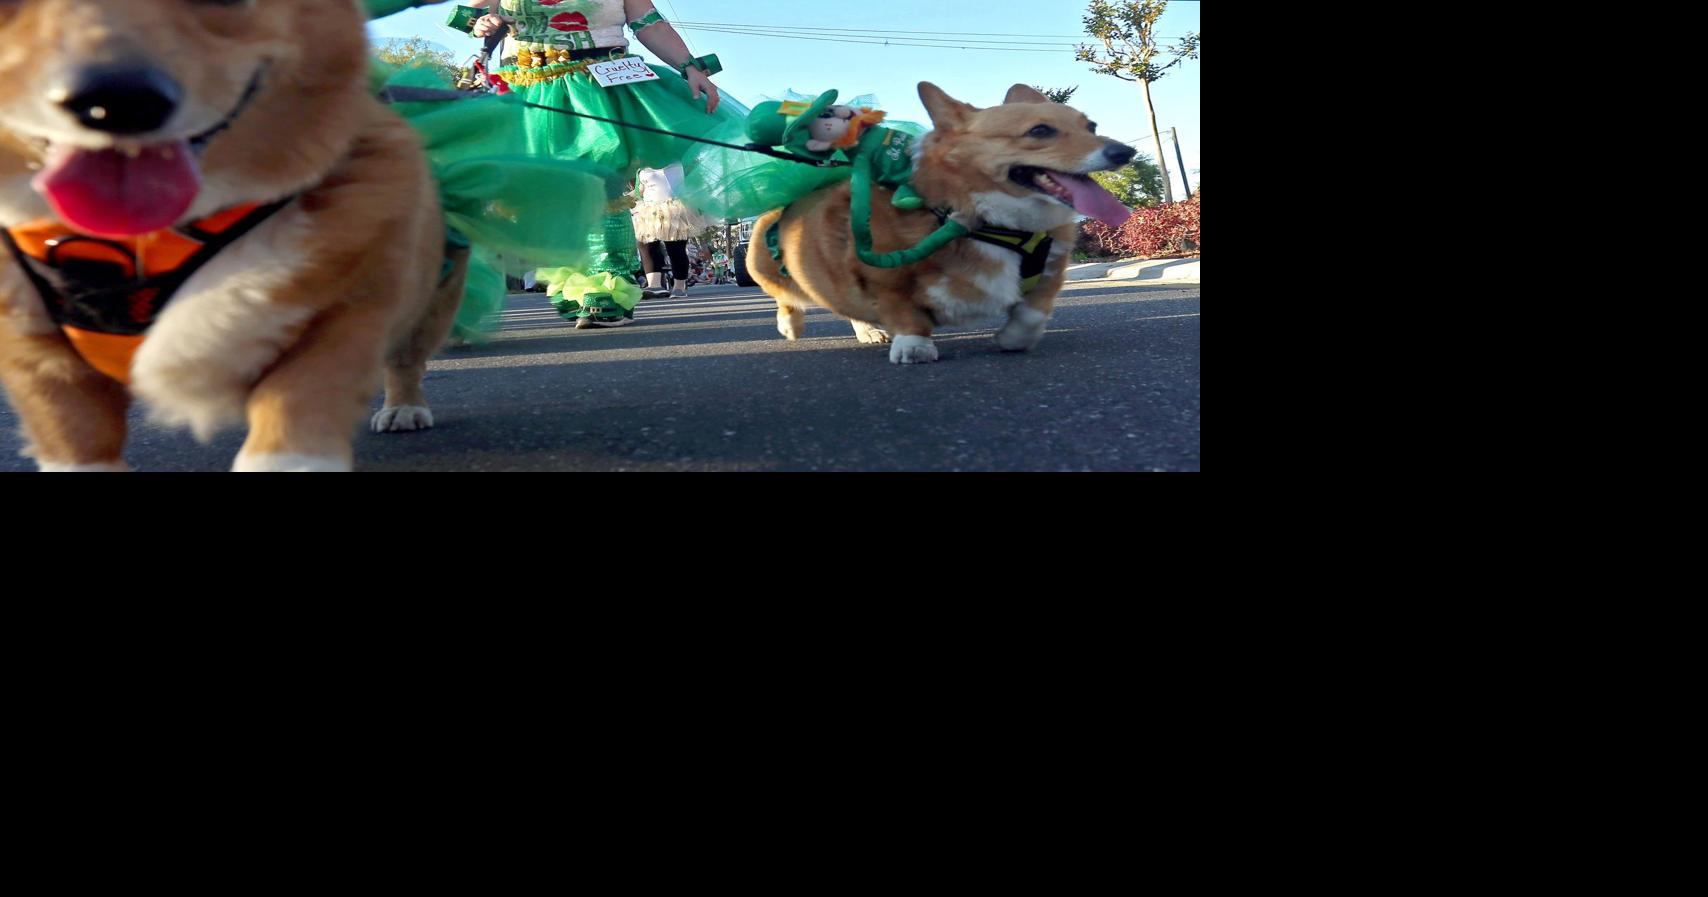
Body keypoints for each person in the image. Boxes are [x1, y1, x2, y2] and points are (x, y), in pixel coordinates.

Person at [470, 0, 748, 327]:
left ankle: (607, 286)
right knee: (551, 194)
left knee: (601, 185)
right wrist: (481, 23)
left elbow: (649, 24)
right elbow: (472, 12)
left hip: (600, 86)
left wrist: (690, 67)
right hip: (526, 89)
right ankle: (573, 282)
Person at [632, 163, 704, 299]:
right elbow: (639, 190)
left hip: (675, 209)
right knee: (646, 244)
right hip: (650, 209)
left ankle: (679, 286)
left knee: (675, 247)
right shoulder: (642, 166)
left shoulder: (678, 161)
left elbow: (695, 183)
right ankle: (654, 285)